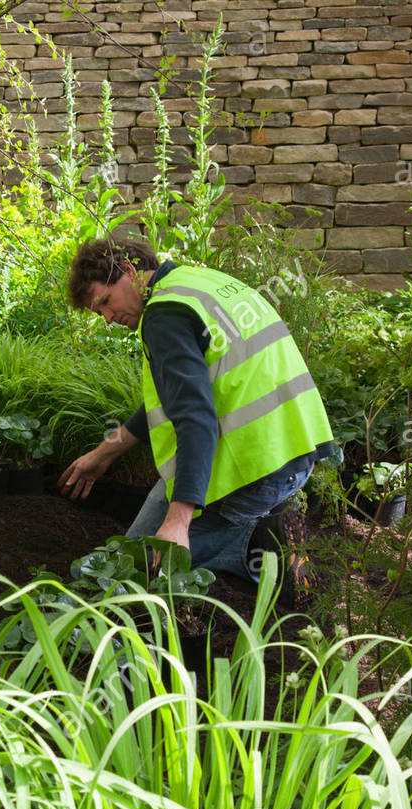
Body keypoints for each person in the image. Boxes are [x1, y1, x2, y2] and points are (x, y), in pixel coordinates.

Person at [59, 236, 336, 602]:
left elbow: (194, 416)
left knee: (135, 571)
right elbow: (173, 400)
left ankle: (259, 541)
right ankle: (267, 520)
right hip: (294, 450)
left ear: (128, 271)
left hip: (254, 471)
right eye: (100, 314)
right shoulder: (198, 284)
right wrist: (104, 453)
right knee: (134, 545)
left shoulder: (163, 316)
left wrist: (178, 521)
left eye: (106, 302)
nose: (109, 318)